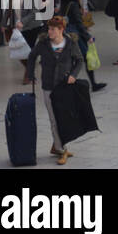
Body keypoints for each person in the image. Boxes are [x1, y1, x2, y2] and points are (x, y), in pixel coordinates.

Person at [24, 16, 86, 165]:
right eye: (49, 28)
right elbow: (31, 57)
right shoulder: (43, 43)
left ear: (61, 30)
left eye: (52, 29)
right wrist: (31, 74)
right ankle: (61, 150)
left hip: (64, 87)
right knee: (55, 120)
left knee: (64, 118)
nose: (49, 31)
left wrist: (73, 75)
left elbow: (79, 60)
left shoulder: (70, 43)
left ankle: (56, 145)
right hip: (48, 87)